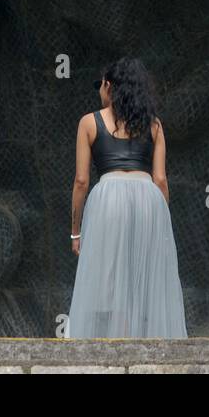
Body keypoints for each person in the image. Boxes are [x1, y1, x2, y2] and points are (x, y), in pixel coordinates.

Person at [67, 57, 187, 338]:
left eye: (102, 85)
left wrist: (75, 232)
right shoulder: (154, 125)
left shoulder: (89, 122)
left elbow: (81, 180)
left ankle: (117, 342)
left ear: (109, 86)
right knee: (139, 275)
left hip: (108, 199)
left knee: (110, 276)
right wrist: (161, 219)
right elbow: (160, 178)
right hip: (148, 199)